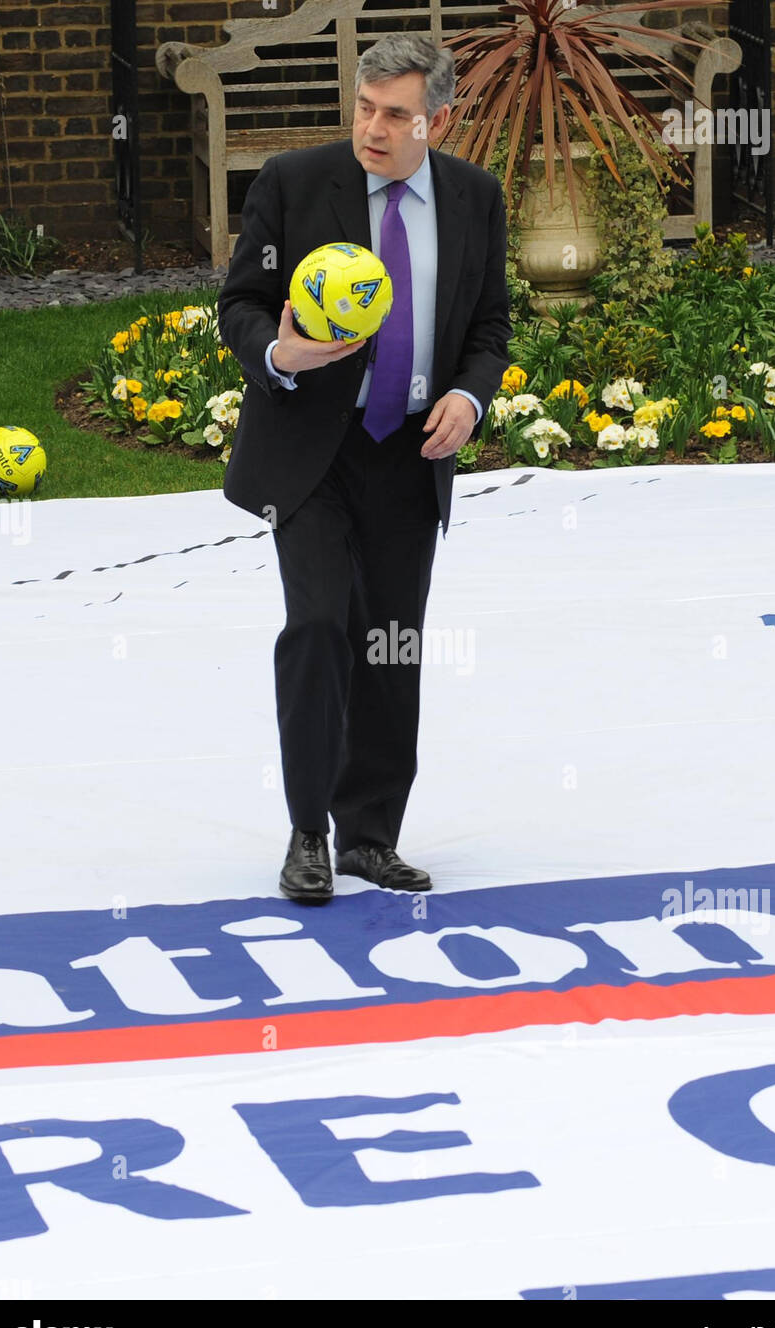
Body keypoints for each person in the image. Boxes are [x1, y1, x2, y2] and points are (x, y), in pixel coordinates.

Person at [217, 33, 511, 903]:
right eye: (363, 107)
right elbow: (239, 301)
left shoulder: (475, 197)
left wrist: (470, 398)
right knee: (317, 628)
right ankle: (309, 833)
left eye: (395, 114)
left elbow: (489, 326)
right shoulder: (295, 182)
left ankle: (370, 837)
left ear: (439, 118)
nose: (373, 129)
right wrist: (280, 351)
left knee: (391, 643)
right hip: (313, 452)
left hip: (410, 453)